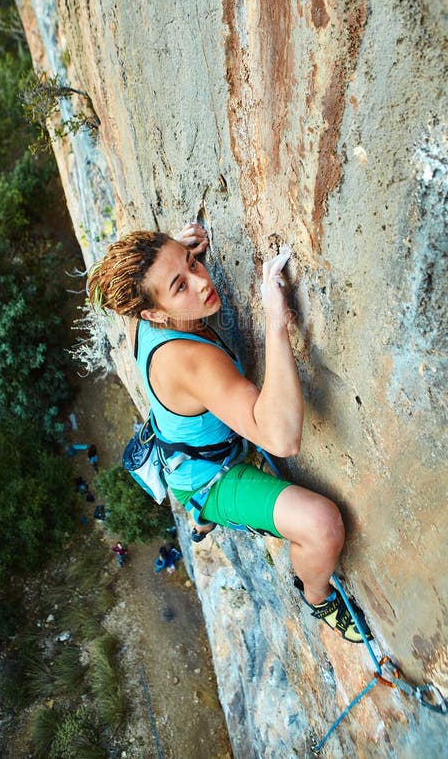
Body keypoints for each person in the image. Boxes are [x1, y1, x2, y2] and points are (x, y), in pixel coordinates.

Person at [87, 224, 370, 643]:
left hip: (187, 449)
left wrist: (177, 257)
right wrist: (276, 324)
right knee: (321, 525)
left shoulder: (141, 319)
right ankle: (318, 599)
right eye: (181, 285)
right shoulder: (191, 363)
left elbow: (142, 296)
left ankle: (200, 524)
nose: (203, 283)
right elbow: (281, 438)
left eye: (194, 263)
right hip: (210, 479)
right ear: (154, 313)